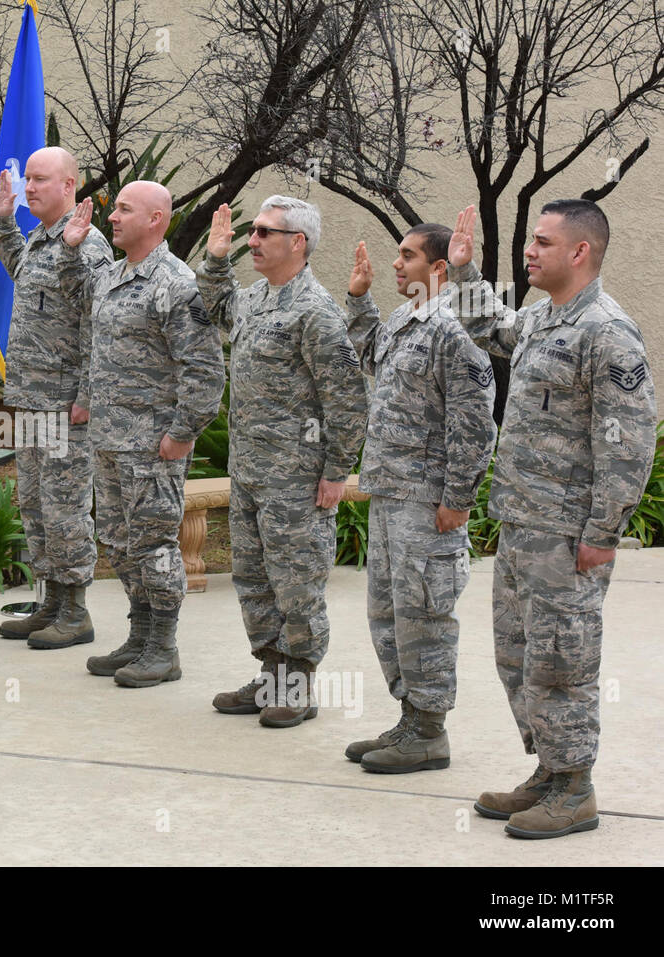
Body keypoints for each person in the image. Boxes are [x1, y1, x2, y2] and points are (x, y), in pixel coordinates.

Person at [449, 200, 655, 838]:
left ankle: (575, 789)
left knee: (563, 659)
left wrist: (603, 532)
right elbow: (496, 333)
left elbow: (628, 441)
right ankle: (549, 768)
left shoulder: (607, 331)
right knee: (519, 655)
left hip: (567, 535)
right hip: (522, 523)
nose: (530, 252)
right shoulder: (543, 316)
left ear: (579, 252)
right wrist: (462, 274)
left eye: (541, 242)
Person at [196, 198, 367, 727]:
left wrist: (337, 470)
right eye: (252, 231)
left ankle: (298, 685)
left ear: (298, 242)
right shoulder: (254, 299)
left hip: (296, 479)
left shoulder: (316, 311)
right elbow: (214, 306)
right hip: (251, 472)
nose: (254, 240)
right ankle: (271, 675)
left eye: (265, 232)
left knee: (296, 583)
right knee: (254, 579)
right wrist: (216, 258)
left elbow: (347, 397)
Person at [343, 226, 496, 772]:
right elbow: (366, 356)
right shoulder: (402, 322)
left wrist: (458, 498)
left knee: (426, 615)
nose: (395, 265)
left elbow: (474, 423)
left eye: (406, 256)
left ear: (437, 269)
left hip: (427, 502)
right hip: (390, 492)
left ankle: (430, 730)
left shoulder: (454, 333)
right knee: (389, 613)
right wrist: (359, 299)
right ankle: (410, 717)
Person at [59, 181, 225, 686]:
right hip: (110, 439)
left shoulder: (177, 283)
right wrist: (86, 402)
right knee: (119, 539)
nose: (112, 218)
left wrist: (183, 431)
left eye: (124, 210)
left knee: (154, 543)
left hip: (152, 445)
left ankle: (163, 648)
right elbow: (93, 343)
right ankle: (139, 634)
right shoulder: (111, 277)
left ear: (156, 219)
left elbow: (204, 368)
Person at [0, 147, 113, 649]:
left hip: (65, 404)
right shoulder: (42, 239)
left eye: (42, 179)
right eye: (29, 180)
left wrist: (87, 392)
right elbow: (21, 268)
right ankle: (50, 602)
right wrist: (2, 222)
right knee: (37, 505)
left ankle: (76, 611)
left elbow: (98, 322)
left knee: (65, 507)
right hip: (32, 399)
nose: (31, 187)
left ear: (70, 186)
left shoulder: (89, 245)